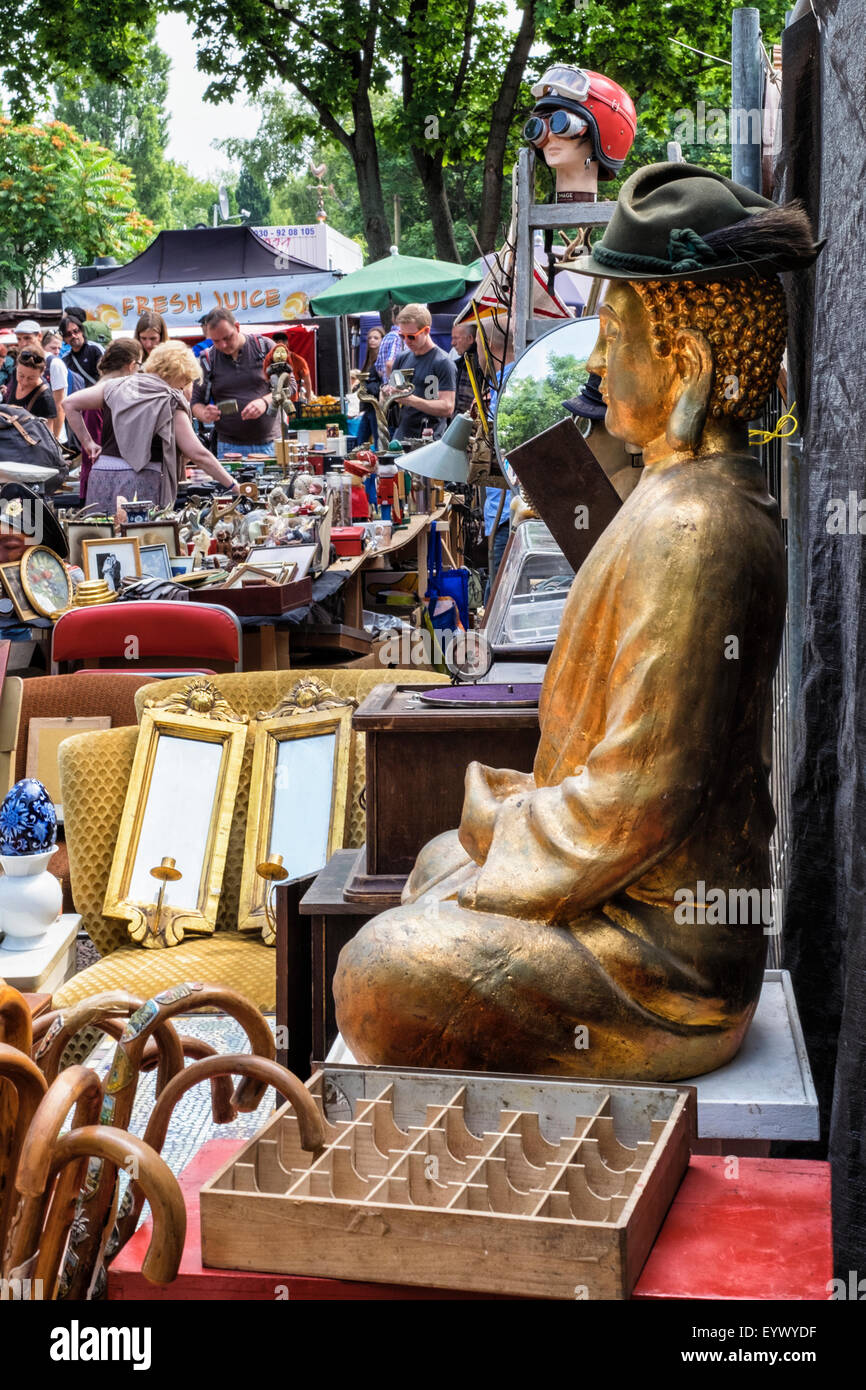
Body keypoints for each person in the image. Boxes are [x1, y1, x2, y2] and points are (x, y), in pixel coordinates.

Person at [64, 339, 239, 514]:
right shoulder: (170, 400)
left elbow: (69, 403)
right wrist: (233, 485)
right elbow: (198, 454)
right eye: (186, 381)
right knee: (140, 537)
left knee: (101, 537)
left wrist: (88, 443)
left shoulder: (115, 386)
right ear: (182, 375)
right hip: (140, 481)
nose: (185, 386)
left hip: (102, 475)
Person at [190, 308, 279, 459]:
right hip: (229, 448)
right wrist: (204, 414)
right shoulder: (207, 359)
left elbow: (289, 386)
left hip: (270, 443)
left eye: (227, 338)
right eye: (216, 341)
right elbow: (196, 403)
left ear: (237, 327)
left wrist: (264, 402)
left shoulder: (264, 347)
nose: (223, 345)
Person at [76, 338, 144, 501]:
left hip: (104, 480)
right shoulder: (101, 398)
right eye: (139, 365)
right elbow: (95, 450)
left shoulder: (102, 395)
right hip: (103, 483)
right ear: (131, 365)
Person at [383, 304, 456, 442]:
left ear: (426, 330)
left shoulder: (443, 362)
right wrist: (387, 393)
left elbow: (447, 407)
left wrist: (410, 400)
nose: (406, 341)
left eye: (411, 336)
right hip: (401, 437)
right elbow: (390, 399)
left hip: (430, 440)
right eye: (402, 336)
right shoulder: (402, 358)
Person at [9, 320, 66, 439]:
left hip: (46, 436)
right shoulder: (20, 364)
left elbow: (59, 406)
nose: (23, 343)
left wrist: (54, 441)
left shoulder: (54, 363)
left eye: (27, 338)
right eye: (19, 339)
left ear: (39, 336)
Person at [3, 343, 57, 423]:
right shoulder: (14, 373)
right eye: (21, 376)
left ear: (42, 372)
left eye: (31, 378)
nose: (24, 382)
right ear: (17, 366)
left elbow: (47, 432)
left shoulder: (45, 398)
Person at [59, 314, 104, 386]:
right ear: (64, 339)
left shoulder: (95, 349)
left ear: (82, 331)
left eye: (76, 331)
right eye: (68, 334)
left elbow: (107, 374)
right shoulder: (65, 359)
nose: (73, 336)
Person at [450, 319, 477, 415]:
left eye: (456, 338)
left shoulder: (478, 364)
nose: (452, 343)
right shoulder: (462, 363)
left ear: (470, 339)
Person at [374, 309, 402, 385]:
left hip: (387, 388)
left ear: (393, 318)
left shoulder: (387, 337)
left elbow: (379, 370)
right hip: (397, 390)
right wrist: (398, 385)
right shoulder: (398, 337)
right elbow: (390, 364)